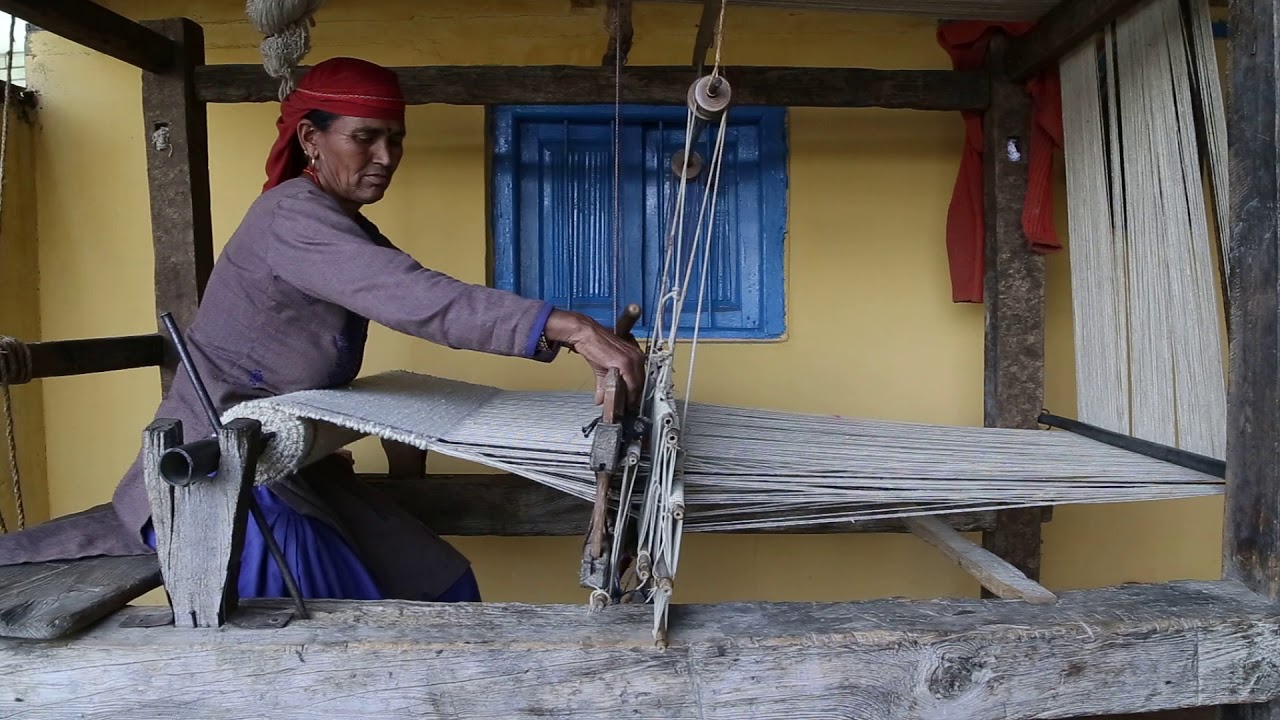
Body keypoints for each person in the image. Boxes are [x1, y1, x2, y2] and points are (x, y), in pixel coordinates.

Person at [0, 57, 645, 603]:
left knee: (441, 584)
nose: (386, 157)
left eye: (395, 139)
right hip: (222, 476)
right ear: (311, 138)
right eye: (365, 138)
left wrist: (377, 435)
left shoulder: (338, 223)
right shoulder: (292, 218)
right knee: (341, 631)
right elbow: (416, 297)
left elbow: (408, 285)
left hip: (292, 465)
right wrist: (572, 329)